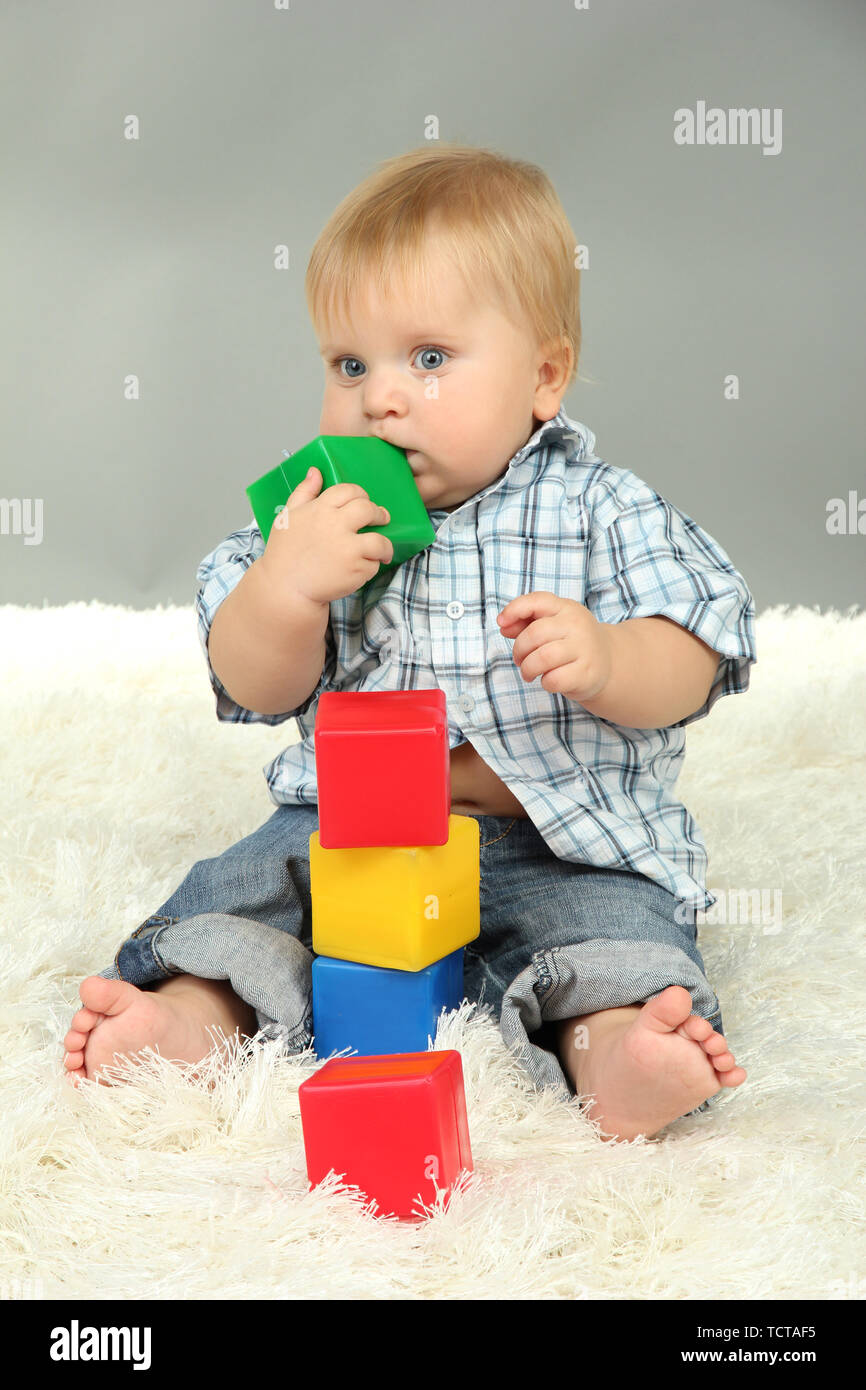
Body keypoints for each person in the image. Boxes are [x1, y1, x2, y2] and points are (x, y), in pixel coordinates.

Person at [63, 144, 755, 1142]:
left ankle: (618, 1054)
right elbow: (251, 682)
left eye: (428, 359)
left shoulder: (598, 508)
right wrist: (286, 589)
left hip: (555, 841)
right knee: (246, 901)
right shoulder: (316, 519)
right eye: (349, 365)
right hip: (349, 834)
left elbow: (694, 648)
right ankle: (190, 1021)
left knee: (605, 939)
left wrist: (609, 657)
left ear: (543, 376)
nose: (380, 397)